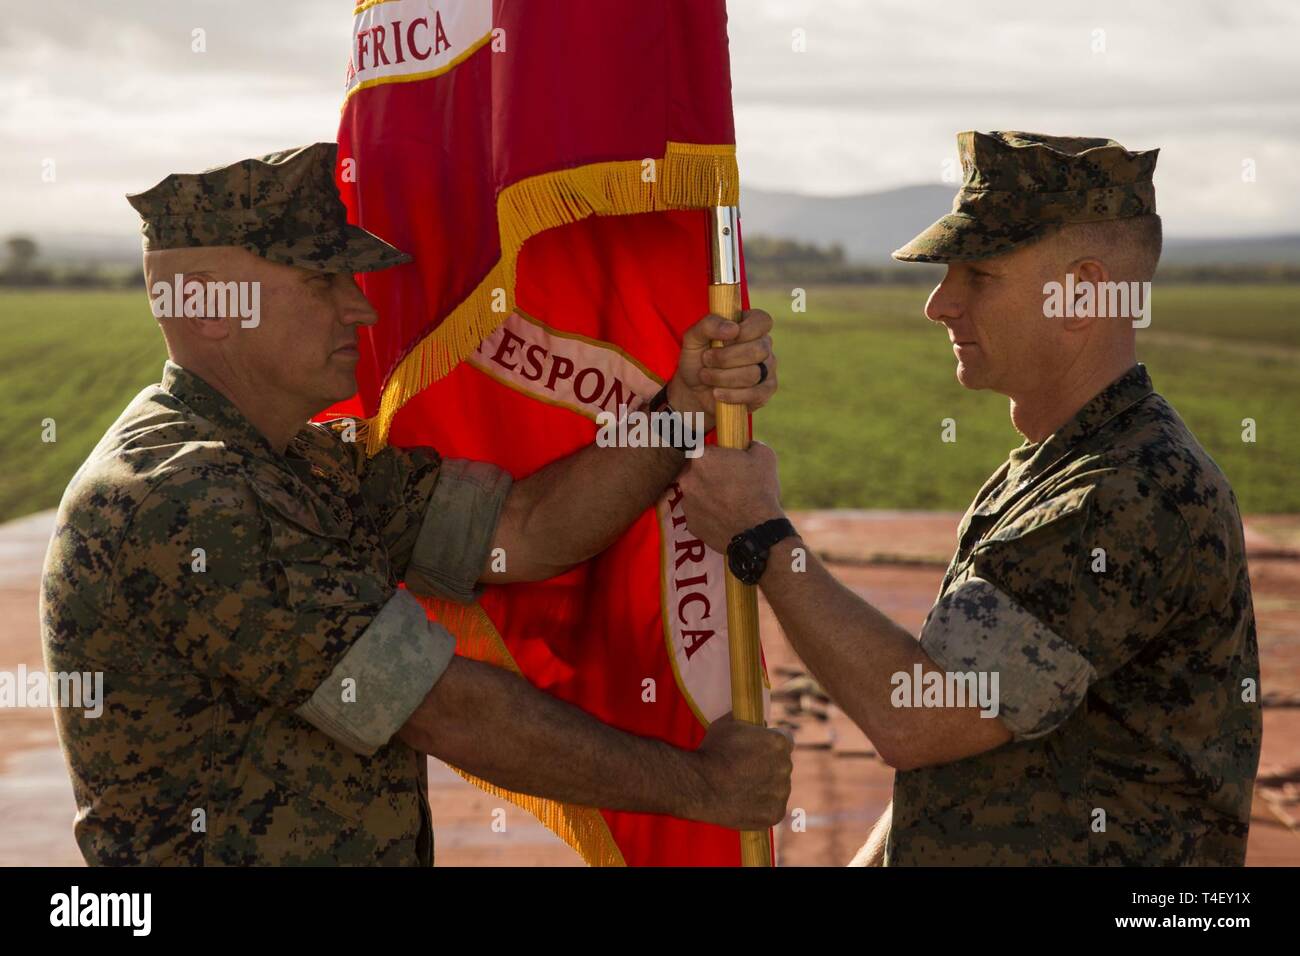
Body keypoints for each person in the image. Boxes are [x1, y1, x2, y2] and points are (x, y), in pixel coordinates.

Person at [40, 143, 791, 865]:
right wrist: (703, 786)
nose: (359, 311)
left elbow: (521, 531)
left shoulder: (299, 462)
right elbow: (437, 706)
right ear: (207, 307)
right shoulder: (183, 495)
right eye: (321, 281)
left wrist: (679, 407)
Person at [679, 131, 1262, 866]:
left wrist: (761, 537)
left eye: (977, 276)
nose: (939, 304)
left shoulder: (1127, 491)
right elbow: (972, 755)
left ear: (1082, 293)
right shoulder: (1060, 464)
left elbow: (921, 718)